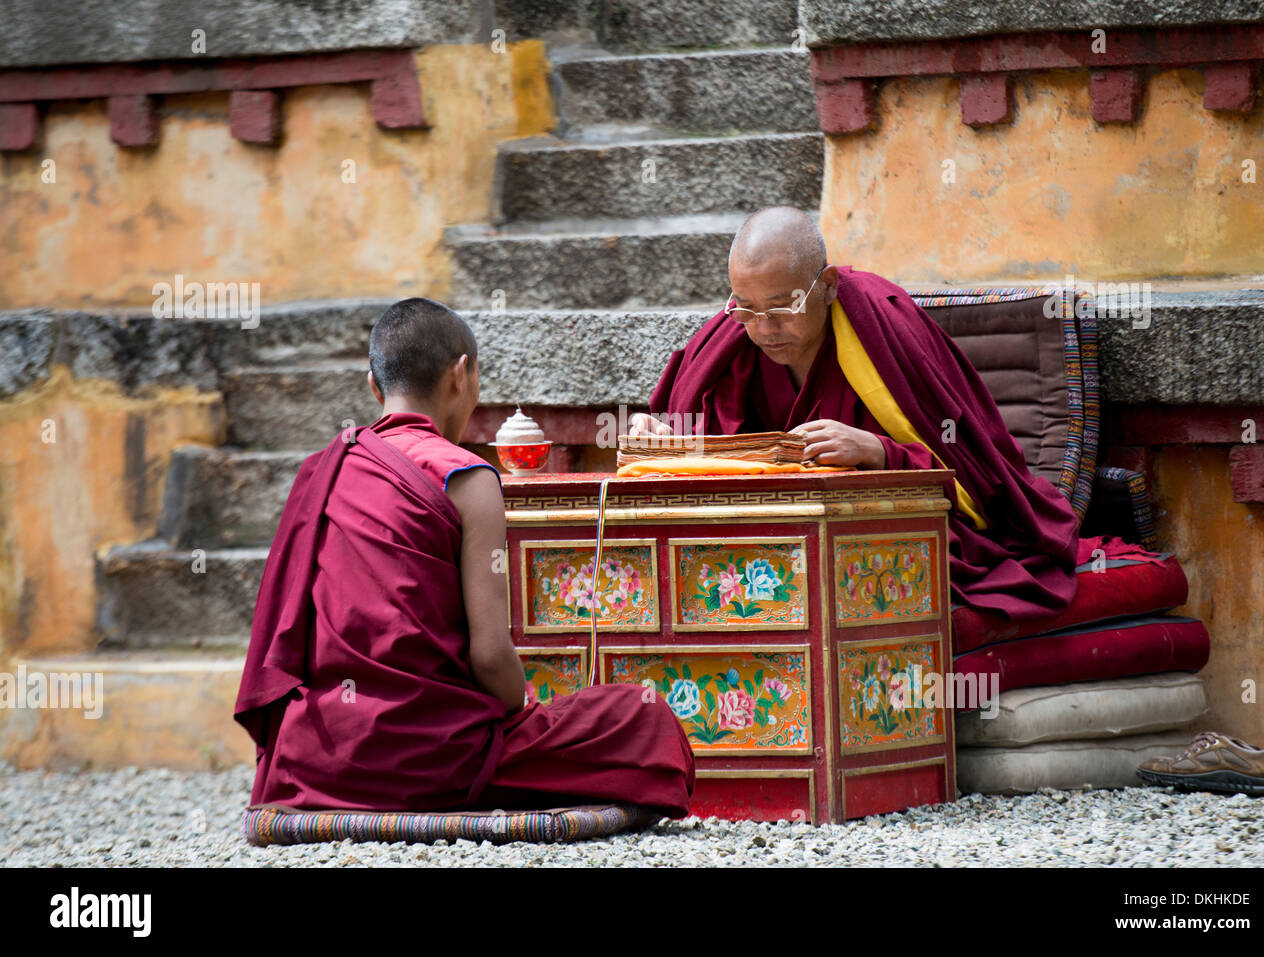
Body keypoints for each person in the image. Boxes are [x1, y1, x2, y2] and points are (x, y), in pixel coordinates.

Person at [235, 298, 695, 815]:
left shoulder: (325, 470)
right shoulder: (467, 477)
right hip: (432, 758)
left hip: (317, 757)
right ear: (461, 375)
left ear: (373, 385)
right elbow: (491, 660)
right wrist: (525, 713)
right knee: (642, 719)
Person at [631, 206, 1080, 627]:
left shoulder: (884, 324)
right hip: (764, 534)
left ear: (826, 285)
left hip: (863, 529)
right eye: (747, 309)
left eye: (782, 307)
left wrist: (879, 451)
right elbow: (703, 448)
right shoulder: (731, 341)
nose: (765, 328)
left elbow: (975, 479)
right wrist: (667, 441)